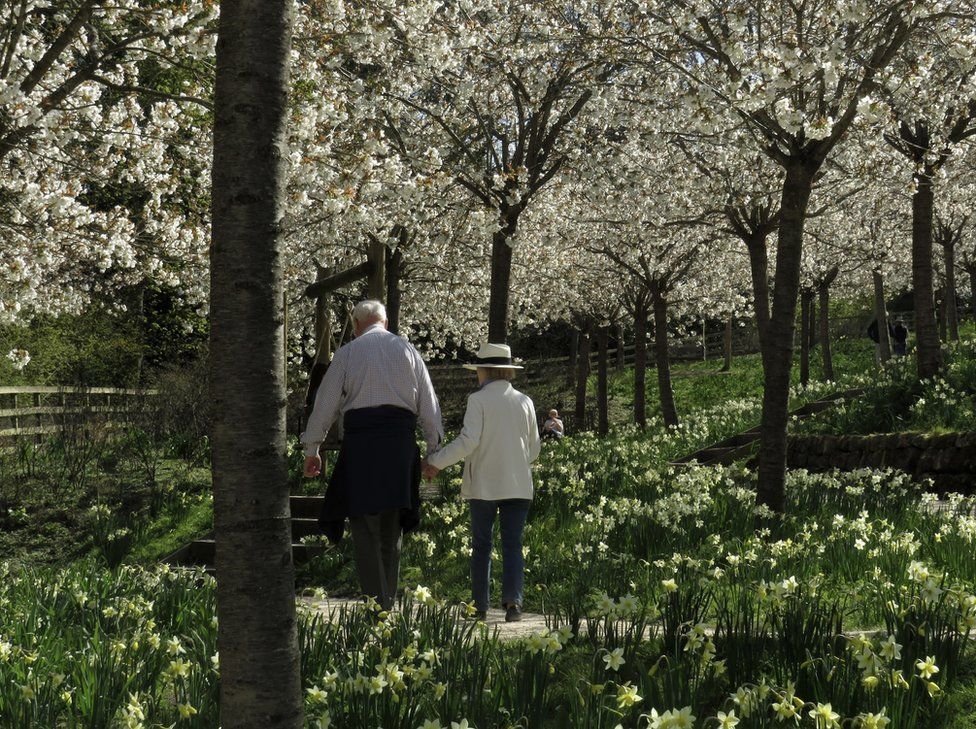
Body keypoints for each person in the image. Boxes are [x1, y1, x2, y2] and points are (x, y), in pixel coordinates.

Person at [302, 300, 443, 611]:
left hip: (362, 448)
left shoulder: (348, 353)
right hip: (398, 448)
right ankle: (385, 606)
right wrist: (434, 452)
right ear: (386, 322)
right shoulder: (408, 351)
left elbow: (324, 405)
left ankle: (377, 609)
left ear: (355, 326)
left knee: (365, 529)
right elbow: (429, 407)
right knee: (392, 530)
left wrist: (312, 449)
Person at [421, 343, 541, 623]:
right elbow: (534, 449)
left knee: (482, 545)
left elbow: (468, 442)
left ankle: (479, 606)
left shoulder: (478, 400)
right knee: (513, 544)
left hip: (485, 485)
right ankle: (514, 605)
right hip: (518, 484)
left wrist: (436, 461)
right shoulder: (525, 402)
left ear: (484, 371)